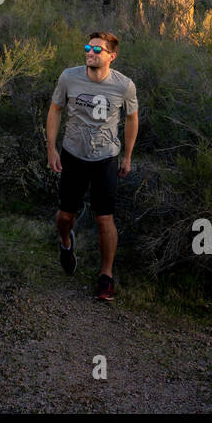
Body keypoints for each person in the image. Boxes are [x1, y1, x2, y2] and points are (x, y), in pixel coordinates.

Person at [46, 31, 137, 301]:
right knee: (64, 217)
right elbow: (55, 110)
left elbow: (132, 119)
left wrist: (128, 155)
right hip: (73, 154)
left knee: (104, 218)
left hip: (106, 157)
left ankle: (106, 276)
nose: (90, 52)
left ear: (112, 56)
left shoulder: (124, 86)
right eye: (88, 47)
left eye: (97, 50)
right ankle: (66, 243)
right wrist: (51, 148)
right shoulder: (69, 77)